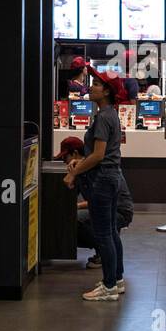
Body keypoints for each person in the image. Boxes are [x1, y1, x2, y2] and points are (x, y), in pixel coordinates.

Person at [63, 69, 127, 301]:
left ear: (107, 91)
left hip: (102, 180)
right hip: (111, 178)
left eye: (97, 84)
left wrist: (74, 172)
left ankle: (109, 286)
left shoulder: (102, 117)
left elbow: (99, 155)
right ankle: (117, 279)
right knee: (110, 231)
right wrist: (82, 162)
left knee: (103, 234)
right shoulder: (111, 114)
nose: (91, 87)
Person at [55, 136, 134, 270]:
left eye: (65, 158)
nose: (64, 162)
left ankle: (105, 252)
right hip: (110, 208)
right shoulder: (81, 167)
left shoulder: (91, 166)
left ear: (75, 153)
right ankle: (105, 249)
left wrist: (77, 206)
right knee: (72, 218)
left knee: (75, 220)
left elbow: (100, 199)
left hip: (119, 211)